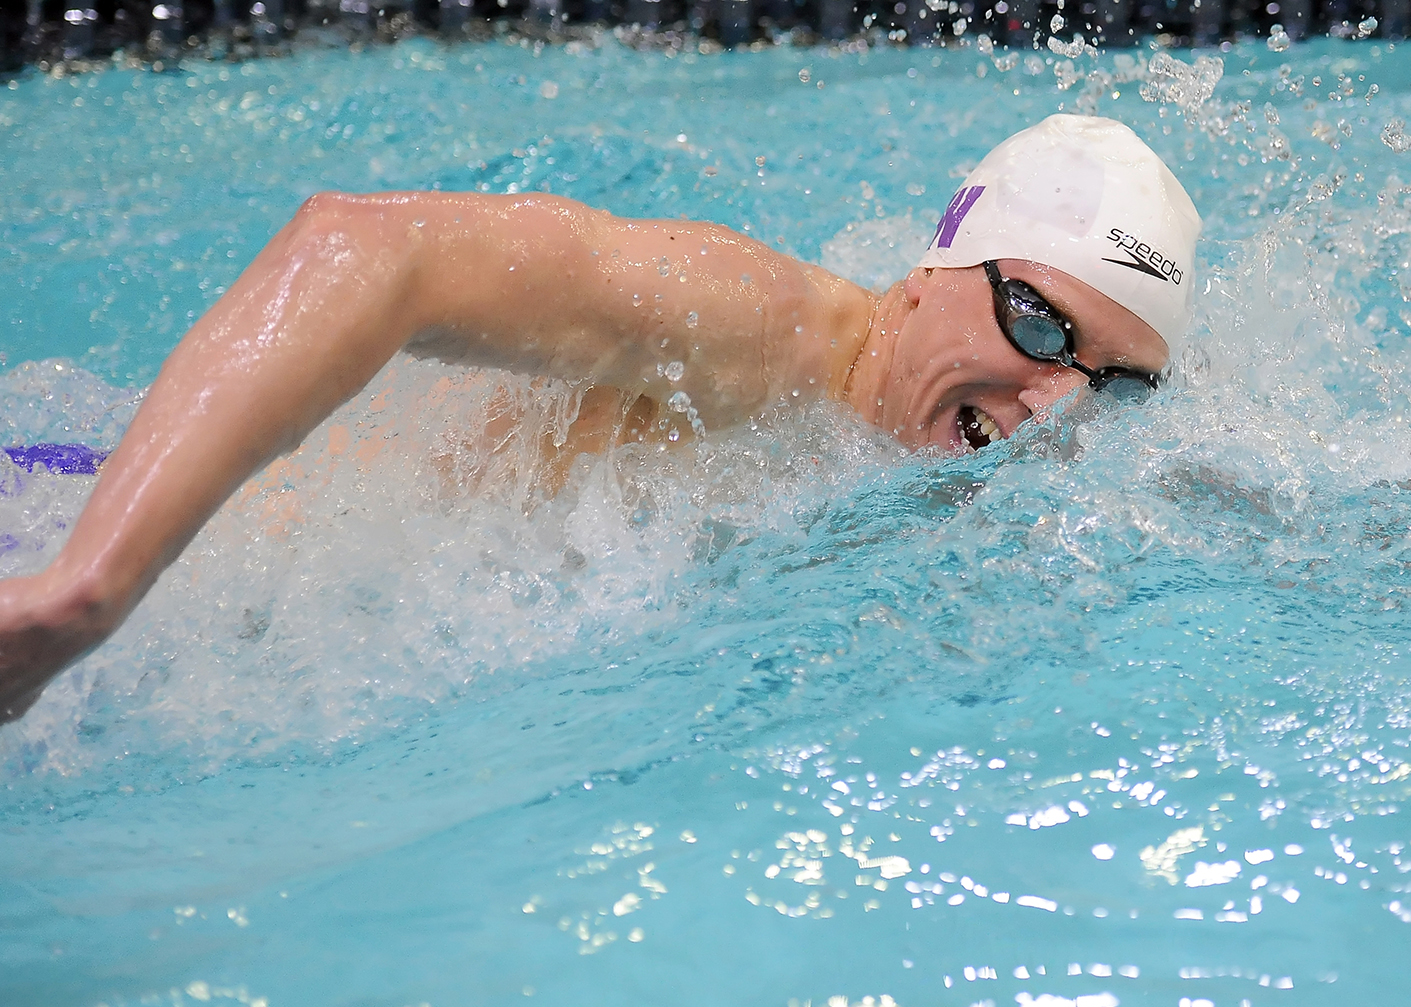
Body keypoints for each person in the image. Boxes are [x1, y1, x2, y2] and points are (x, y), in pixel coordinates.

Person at [0, 114, 1202, 723]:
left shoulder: (935, 459)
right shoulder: (753, 331)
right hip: (121, 550)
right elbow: (366, 245)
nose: (1056, 407)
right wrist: (88, 585)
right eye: (1041, 325)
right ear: (939, 263)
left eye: (1110, 379)